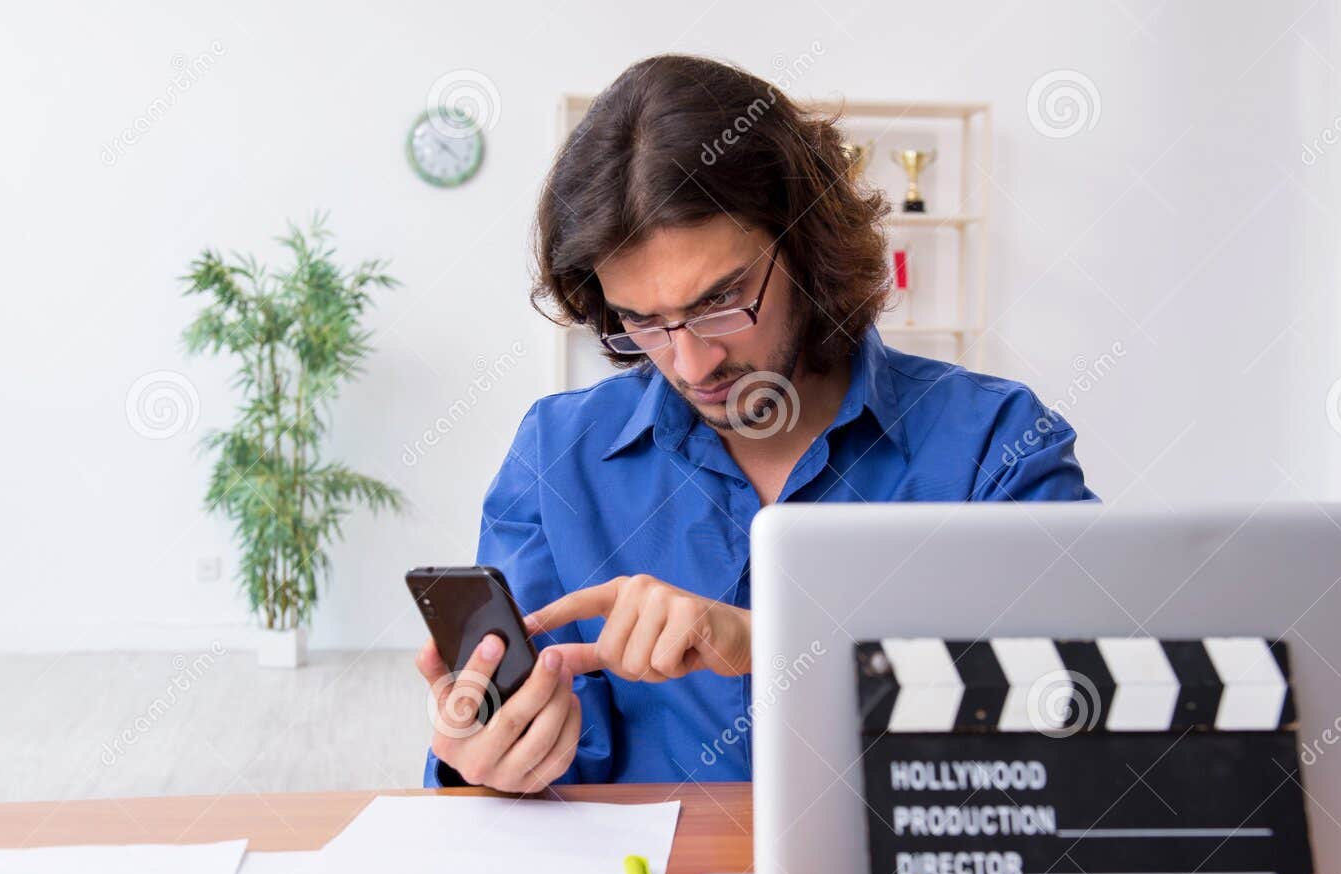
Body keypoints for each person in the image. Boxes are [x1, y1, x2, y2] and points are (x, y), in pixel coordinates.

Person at [417, 54, 1095, 792]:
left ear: (806, 243)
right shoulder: (558, 456)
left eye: (720, 300)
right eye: (641, 322)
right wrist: (489, 758)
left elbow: (1089, 728)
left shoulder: (994, 445)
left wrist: (777, 643)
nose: (691, 364)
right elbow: (546, 770)